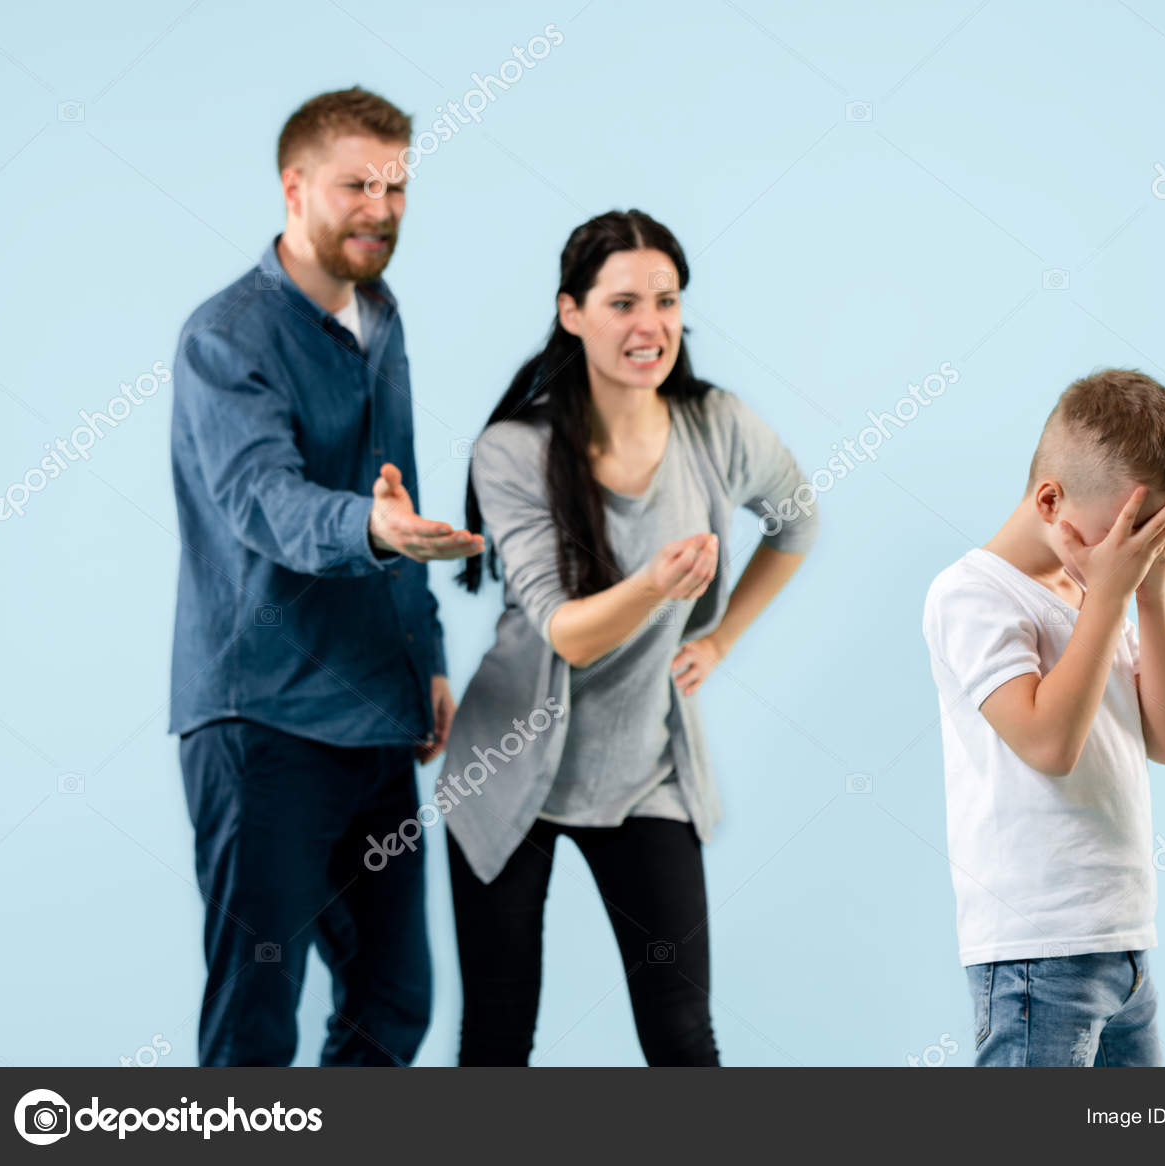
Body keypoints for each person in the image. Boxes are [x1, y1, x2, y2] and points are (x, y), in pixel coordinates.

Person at [441, 209, 817, 1065]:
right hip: (509, 772)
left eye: (667, 300)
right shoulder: (513, 449)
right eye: (621, 303)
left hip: (643, 766)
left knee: (683, 1036)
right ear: (571, 312)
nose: (649, 325)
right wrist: (652, 586)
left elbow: (797, 521)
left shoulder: (716, 425)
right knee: (497, 1038)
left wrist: (718, 639)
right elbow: (566, 633)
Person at [168, 86, 483, 1066]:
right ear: (294, 186)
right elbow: (264, 500)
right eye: (357, 184)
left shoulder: (381, 317)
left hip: (377, 718)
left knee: (394, 1007)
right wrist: (377, 531)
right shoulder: (225, 338)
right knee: (256, 1019)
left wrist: (425, 651)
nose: (381, 208)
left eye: (396, 185)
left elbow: (399, 491)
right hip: (262, 723)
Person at [921, 368, 1165, 1067]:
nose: (1132, 559)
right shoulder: (972, 595)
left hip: (1122, 940)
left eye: (1150, 543)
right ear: (1051, 499)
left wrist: (1150, 598)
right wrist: (1109, 599)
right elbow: (1048, 742)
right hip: (1035, 953)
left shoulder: (1100, 592)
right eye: (1125, 537)